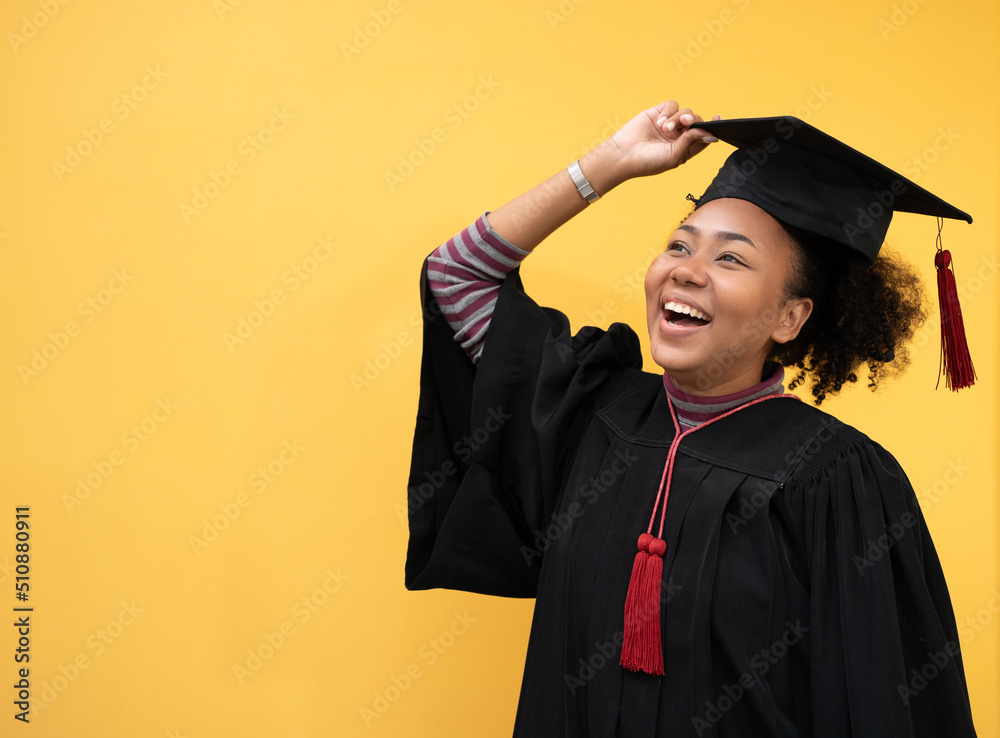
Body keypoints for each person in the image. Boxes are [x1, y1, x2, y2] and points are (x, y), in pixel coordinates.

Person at [404, 100, 979, 737]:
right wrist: (613, 163)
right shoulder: (590, 410)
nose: (686, 269)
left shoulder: (835, 481)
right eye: (679, 244)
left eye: (730, 259)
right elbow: (456, 274)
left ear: (791, 317)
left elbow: (879, 705)